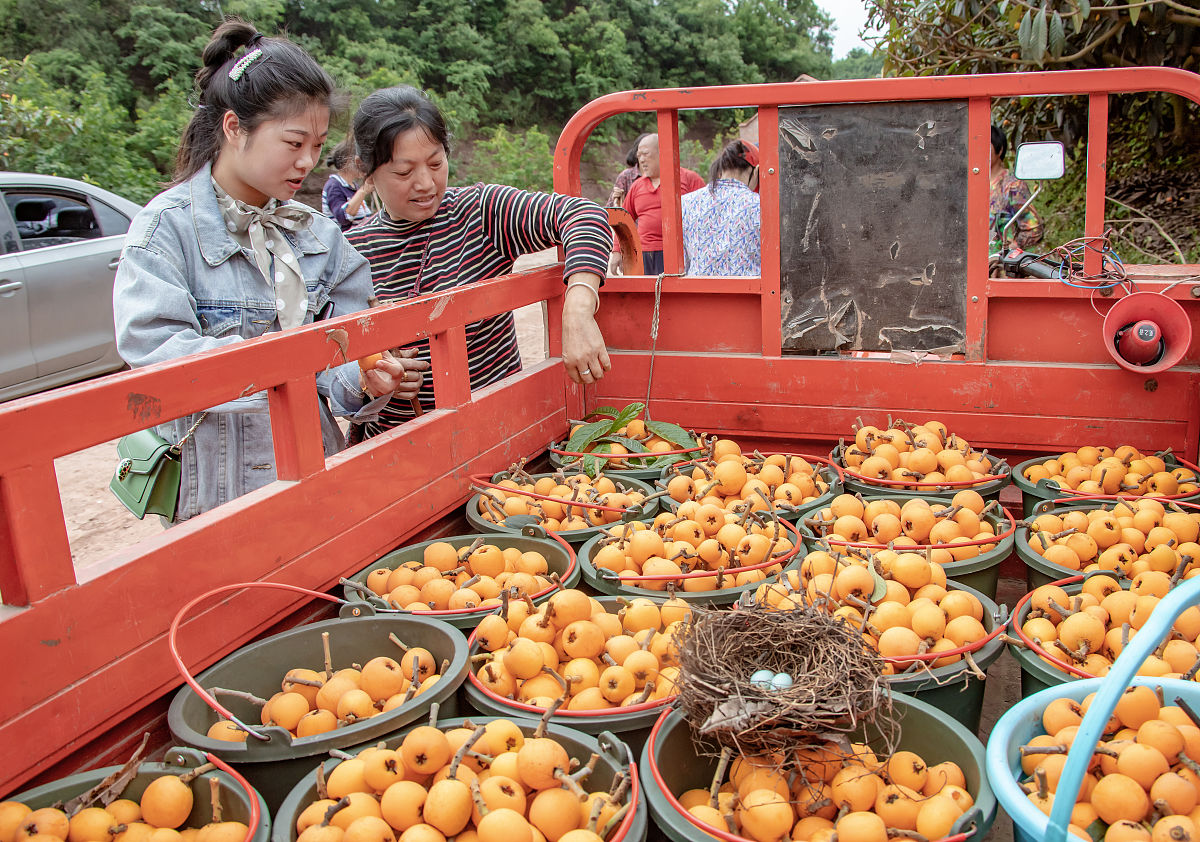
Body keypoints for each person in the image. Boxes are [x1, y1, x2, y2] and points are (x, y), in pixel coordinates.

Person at [112, 20, 422, 523]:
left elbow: (341, 374)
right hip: (218, 494)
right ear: (235, 128)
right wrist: (288, 363)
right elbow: (156, 353)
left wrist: (367, 375)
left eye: (318, 146)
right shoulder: (166, 231)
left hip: (317, 475)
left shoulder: (321, 239)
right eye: (294, 142)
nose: (307, 162)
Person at [345, 86, 612, 436]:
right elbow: (332, 375)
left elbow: (584, 215)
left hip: (493, 435)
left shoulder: (480, 213)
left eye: (436, 163)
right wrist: (372, 382)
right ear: (367, 172)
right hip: (397, 452)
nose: (426, 183)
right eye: (404, 172)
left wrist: (578, 308)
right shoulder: (350, 252)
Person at [620, 133, 705, 275]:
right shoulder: (637, 186)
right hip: (644, 254)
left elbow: (706, 215)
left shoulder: (689, 179)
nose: (641, 159)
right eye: (639, 155)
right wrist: (618, 252)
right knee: (646, 295)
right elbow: (623, 219)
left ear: (662, 152)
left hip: (679, 253)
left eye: (645, 154)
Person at [681, 139, 761, 276]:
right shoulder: (760, 206)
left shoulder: (685, 203)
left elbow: (682, 265)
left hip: (696, 294)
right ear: (757, 171)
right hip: (747, 295)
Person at [989, 124, 1044, 253]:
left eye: (984, 146)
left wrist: (1006, 252)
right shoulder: (967, 185)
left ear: (999, 149)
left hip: (997, 268)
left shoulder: (1012, 186)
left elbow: (1034, 229)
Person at [321, 138, 373, 230]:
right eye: (360, 161)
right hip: (342, 242)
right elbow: (343, 218)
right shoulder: (334, 186)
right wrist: (363, 191)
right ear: (347, 162)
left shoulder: (353, 186)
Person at [606, 134, 648, 207]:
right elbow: (611, 208)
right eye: (643, 153)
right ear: (636, 153)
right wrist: (617, 200)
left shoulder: (662, 176)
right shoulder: (626, 176)